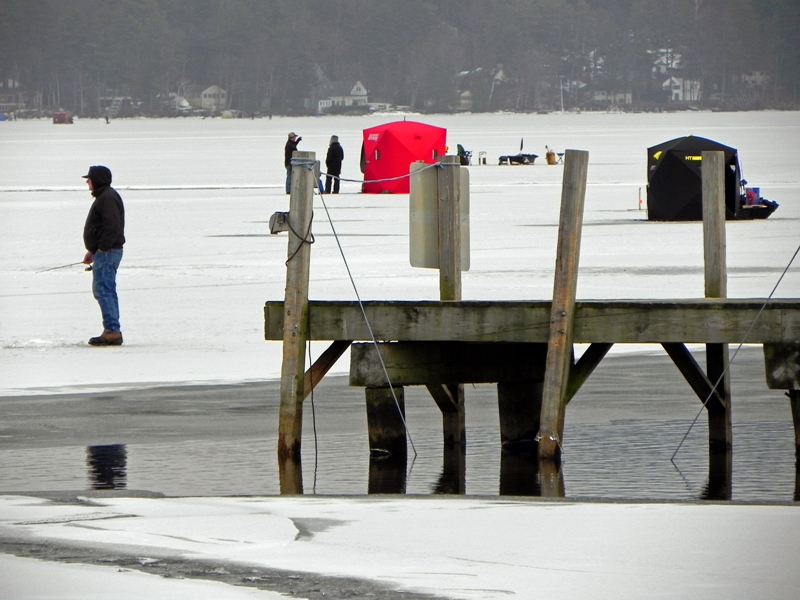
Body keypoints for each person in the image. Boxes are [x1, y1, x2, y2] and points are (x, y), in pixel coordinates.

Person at [81, 165, 125, 346]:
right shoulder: (105, 196)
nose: (87, 182)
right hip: (105, 252)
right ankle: (112, 329)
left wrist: (102, 249)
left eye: (89, 179)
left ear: (96, 179)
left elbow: (112, 226)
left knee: (103, 290)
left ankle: (112, 331)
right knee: (106, 290)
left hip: (108, 253)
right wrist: (93, 250)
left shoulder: (107, 198)